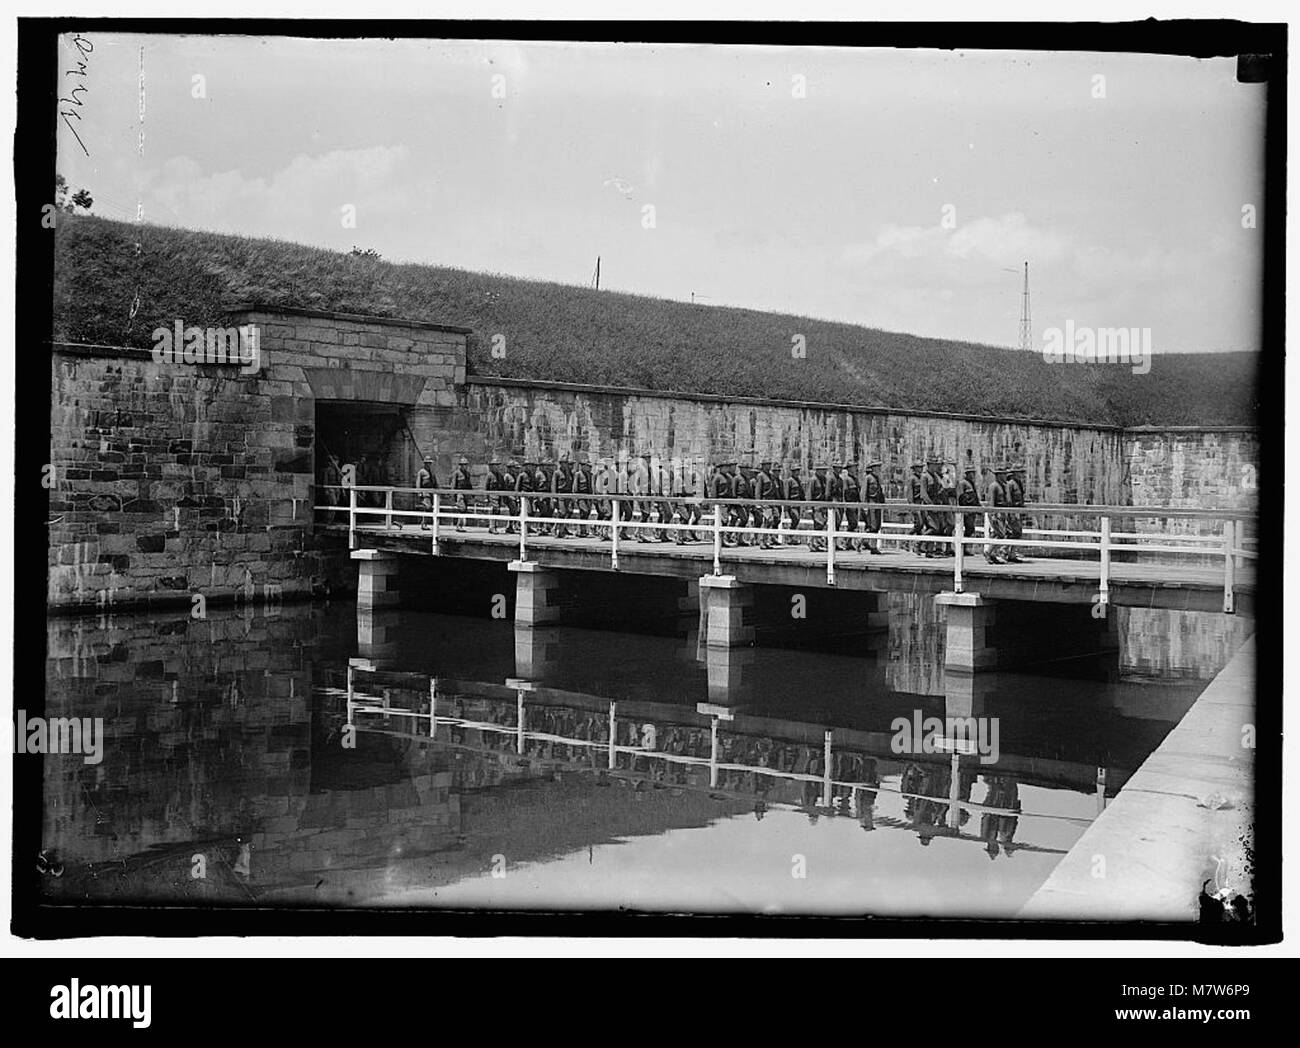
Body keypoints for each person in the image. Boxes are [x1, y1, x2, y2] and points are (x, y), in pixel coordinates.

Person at [956, 463, 982, 560]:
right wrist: (963, 509)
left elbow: (974, 497)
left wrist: (979, 506)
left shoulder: (972, 484)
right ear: (966, 474)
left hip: (972, 510)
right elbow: (960, 496)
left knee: (970, 529)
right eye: (970, 473)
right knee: (968, 528)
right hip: (966, 510)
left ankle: (965, 548)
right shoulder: (963, 483)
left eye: (973, 473)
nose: (972, 475)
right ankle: (961, 549)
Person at [986, 463, 1010, 564]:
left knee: (1000, 533)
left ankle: (992, 554)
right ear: (999, 475)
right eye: (1004, 474)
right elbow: (991, 501)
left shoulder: (1003, 486)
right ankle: (988, 552)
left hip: (1002, 512)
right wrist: (993, 514)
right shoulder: (994, 486)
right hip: (996, 513)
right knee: (999, 533)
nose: (1006, 476)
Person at [1006, 463, 1028, 563]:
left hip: (1018, 510)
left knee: (1018, 532)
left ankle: (1012, 553)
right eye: (1019, 473)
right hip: (1013, 511)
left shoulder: (1018, 483)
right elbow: (1009, 499)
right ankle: (1006, 552)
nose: (1021, 475)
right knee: (1013, 532)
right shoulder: (1010, 483)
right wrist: (1010, 512)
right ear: (1014, 473)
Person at [862, 459, 885, 554]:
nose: (879, 468)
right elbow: (863, 493)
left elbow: (880, 492)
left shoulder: (878, 478)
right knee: (873, 526)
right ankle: (871, 546)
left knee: (877, 526)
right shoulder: (868, 478)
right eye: (877, 467)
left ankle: (869, 544)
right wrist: (865, 506)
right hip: (871, 504)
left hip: (878, 504)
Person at [755, 461, 778, 550]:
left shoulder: (771, 476)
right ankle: (761, 541)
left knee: (773, 520)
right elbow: (758, 490)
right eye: (766, 465)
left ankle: (766, 540)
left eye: (769, 465)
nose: (768, 466)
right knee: (768, 519)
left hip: (771, 501)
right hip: (765, 501)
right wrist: (758, 504)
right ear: (763, 466)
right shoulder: (761, 476)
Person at [550, 456, 574, 537]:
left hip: (568, 494)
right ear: (561, 464)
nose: (566, 465)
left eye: (567, 463)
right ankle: (560, 532)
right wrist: (554, 497)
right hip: (560, 495)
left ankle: (561, 528)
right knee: (562, 512)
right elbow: (554, 485)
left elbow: (571, 484)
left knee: (568, 512)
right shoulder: (557, 473)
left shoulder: (569, 473)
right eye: (564, 463)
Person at [731, 462, 753, 547]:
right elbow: (734, 491)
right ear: (741, 469)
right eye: (745, 468)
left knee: (745, 520)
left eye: (748, 469)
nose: (747, 470)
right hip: (739, 502)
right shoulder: (736, 478)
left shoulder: (747, 479)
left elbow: (749, 491)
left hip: (746, 502)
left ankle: (740, 538)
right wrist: (734, 503)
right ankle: (731, 536)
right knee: (743, 519)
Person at [840, 462, 861, 552]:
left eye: (855, 467)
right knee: (852, 523)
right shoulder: (846, 479)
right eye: (853, 467)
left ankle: (849, 542)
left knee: (854, 523)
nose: (855, 469)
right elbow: (845, 492)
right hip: (849, 504)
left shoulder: (855, 479)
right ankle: (845, 541)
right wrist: (846, 504)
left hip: (855, 504)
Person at [808, 464, 830, 552]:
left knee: (822, 524)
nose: (824, 471)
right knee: (818, 524)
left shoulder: (824, 480)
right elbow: (809, 494)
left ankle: (815, 542)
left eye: (825, 469)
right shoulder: (813, 480)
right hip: (816, 506)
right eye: (822, 470)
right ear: (817, 471)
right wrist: (809, 507)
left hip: (823, 505)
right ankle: (811, 542)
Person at [782, 463, 805, 545]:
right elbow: (786, 494)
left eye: (798, 471)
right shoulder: (789, 481)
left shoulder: (798, 480)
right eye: (795, 471)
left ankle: (791, 537)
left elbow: (801, 492)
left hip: (798, 503)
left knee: (797, 520)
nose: (797, 472)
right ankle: (790, 537)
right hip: (792, 503)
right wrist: (786, 508)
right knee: (795, 518)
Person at [573, 455, 595, 538]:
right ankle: (580, 530)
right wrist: (576, 498)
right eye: (587, 466)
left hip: (588, 496)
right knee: (583, 512)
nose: (589, 468)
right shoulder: (578, 474)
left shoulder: (590, 475)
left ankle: (583, 531)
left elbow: (591, 486)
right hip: (581, 496)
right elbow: (575, 487)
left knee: (587, 513)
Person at [450, 455, 473, 532]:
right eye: (463, 465)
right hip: (459, 493)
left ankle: (460, 525)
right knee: (462, 508)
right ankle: (459, 526)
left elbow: (469, 484)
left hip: (466, 493)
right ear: (460, 465)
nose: (465, 466)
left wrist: (472, 494)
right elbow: (453, 485)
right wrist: (453, 497)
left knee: (464, 509)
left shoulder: (467, 474)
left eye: (466, 465)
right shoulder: (456, 473)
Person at [416, 456, 439, 530]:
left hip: (432, 492)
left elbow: (435, 483)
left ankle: (426, 523)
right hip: (425, 493)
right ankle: (423, 524)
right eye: (427, 463)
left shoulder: (432, 472)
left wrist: (437, 491)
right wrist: (419, 492)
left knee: (431, 508)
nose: (428, 465)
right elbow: (418, 483)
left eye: (429, 463)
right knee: (427, 507)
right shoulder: (421, 472)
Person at [485, 459, 507, 534]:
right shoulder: (489, 475)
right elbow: (486, 487)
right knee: (493, 510)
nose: (497, 467)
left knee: (497, 511)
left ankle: (494, 526)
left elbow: (503, 486)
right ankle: (492, 527)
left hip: (499, 496)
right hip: (492, 496)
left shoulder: (500, 475)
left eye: (498, 465)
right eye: (495, 465)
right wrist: (486, 497)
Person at [909, 461, 926, 554]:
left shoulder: (922, 478)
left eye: (921, 467)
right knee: (918, 524)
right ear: (915, 468)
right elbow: (910, 494)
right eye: (919, 467)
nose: (921, 469)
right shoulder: (912, 479)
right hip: (916, 503)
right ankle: (908, 540)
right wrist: (912, 506)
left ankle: (918, 546)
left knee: (921, 525)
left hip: (922, 504)